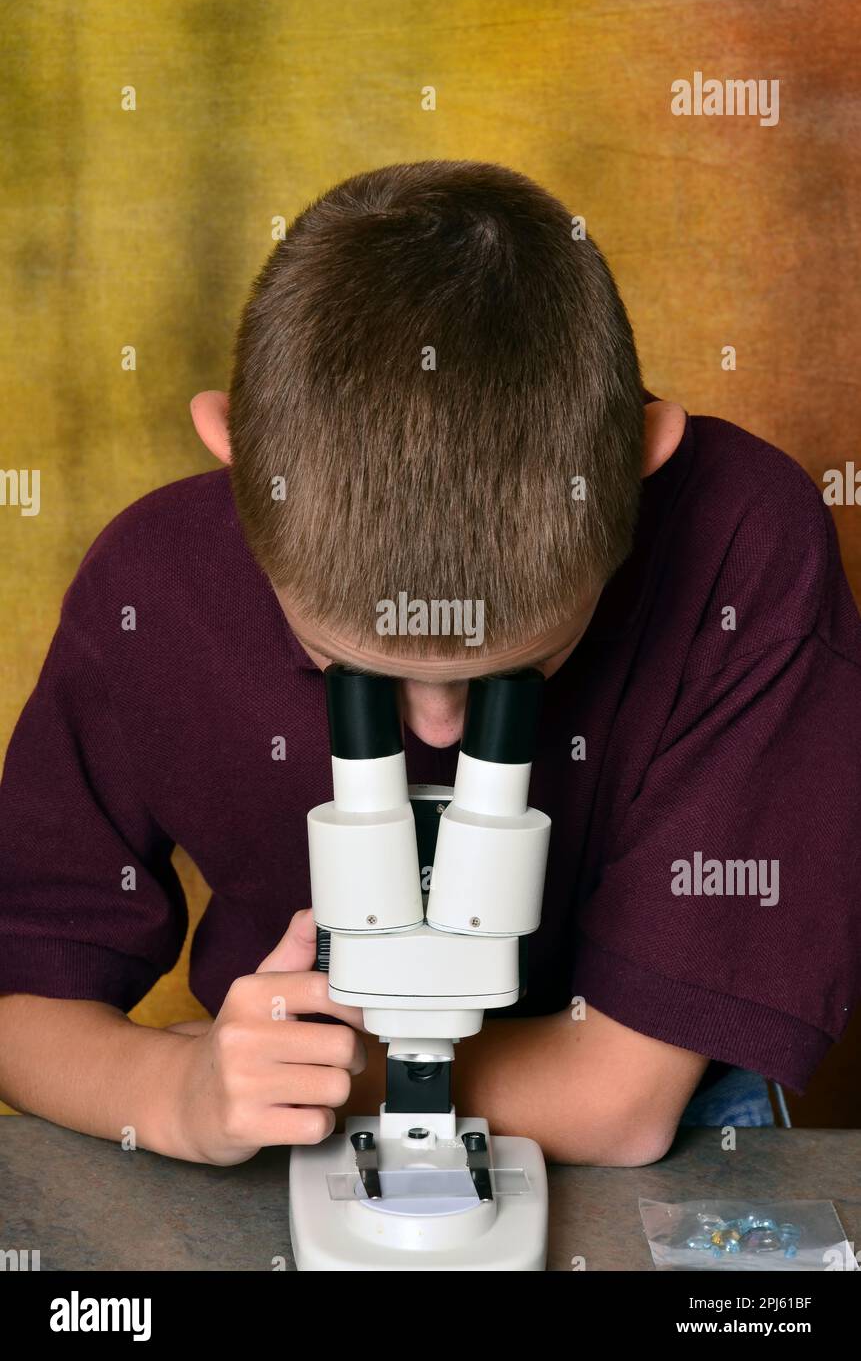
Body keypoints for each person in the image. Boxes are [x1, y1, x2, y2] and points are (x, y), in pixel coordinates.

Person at [0, 161, 858, 1167]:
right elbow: (22, 1001)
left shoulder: (740, 547)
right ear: (233, 452)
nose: (441, 730)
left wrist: (321, 1066)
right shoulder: (151, 585)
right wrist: (175, 1091)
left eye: (514, 674)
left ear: (641, 455)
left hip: (661, 1125)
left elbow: (621, 1107)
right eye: (348, 671)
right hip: (267, 1120)